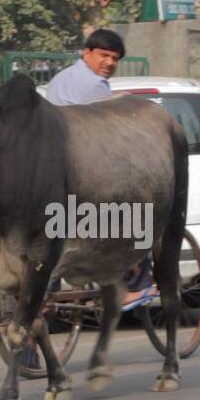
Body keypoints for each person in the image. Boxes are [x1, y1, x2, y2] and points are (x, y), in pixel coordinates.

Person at [45, 29, 158, 310]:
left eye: (114, 58)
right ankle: (133, 287)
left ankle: (46, 288)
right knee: (136, 218)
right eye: (103, 55)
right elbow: (107, 136)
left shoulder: (61, 79)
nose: (109, 62)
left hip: (53, 173)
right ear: (87, 53)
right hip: (86, 174)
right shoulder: (96, 86)